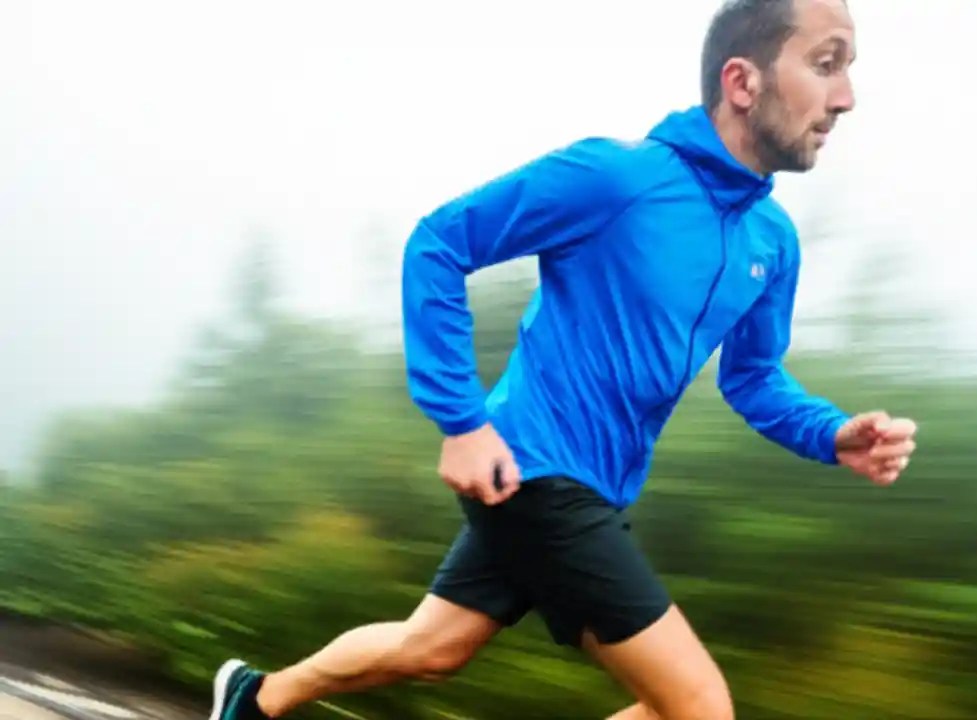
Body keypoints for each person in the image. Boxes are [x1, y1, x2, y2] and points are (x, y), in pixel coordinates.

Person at [209, 1, 917, 718]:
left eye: (849, 71)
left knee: (432, 647)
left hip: (590, 487)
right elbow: (439, 244)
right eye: (826, 64)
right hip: (535, 472)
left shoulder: (772, 240)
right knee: (699, 708)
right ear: (742, 81)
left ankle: (255, 699)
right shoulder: (619, 178)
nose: (846, 98)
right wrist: (460, 420)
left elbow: (754, 378)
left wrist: (830, 433)